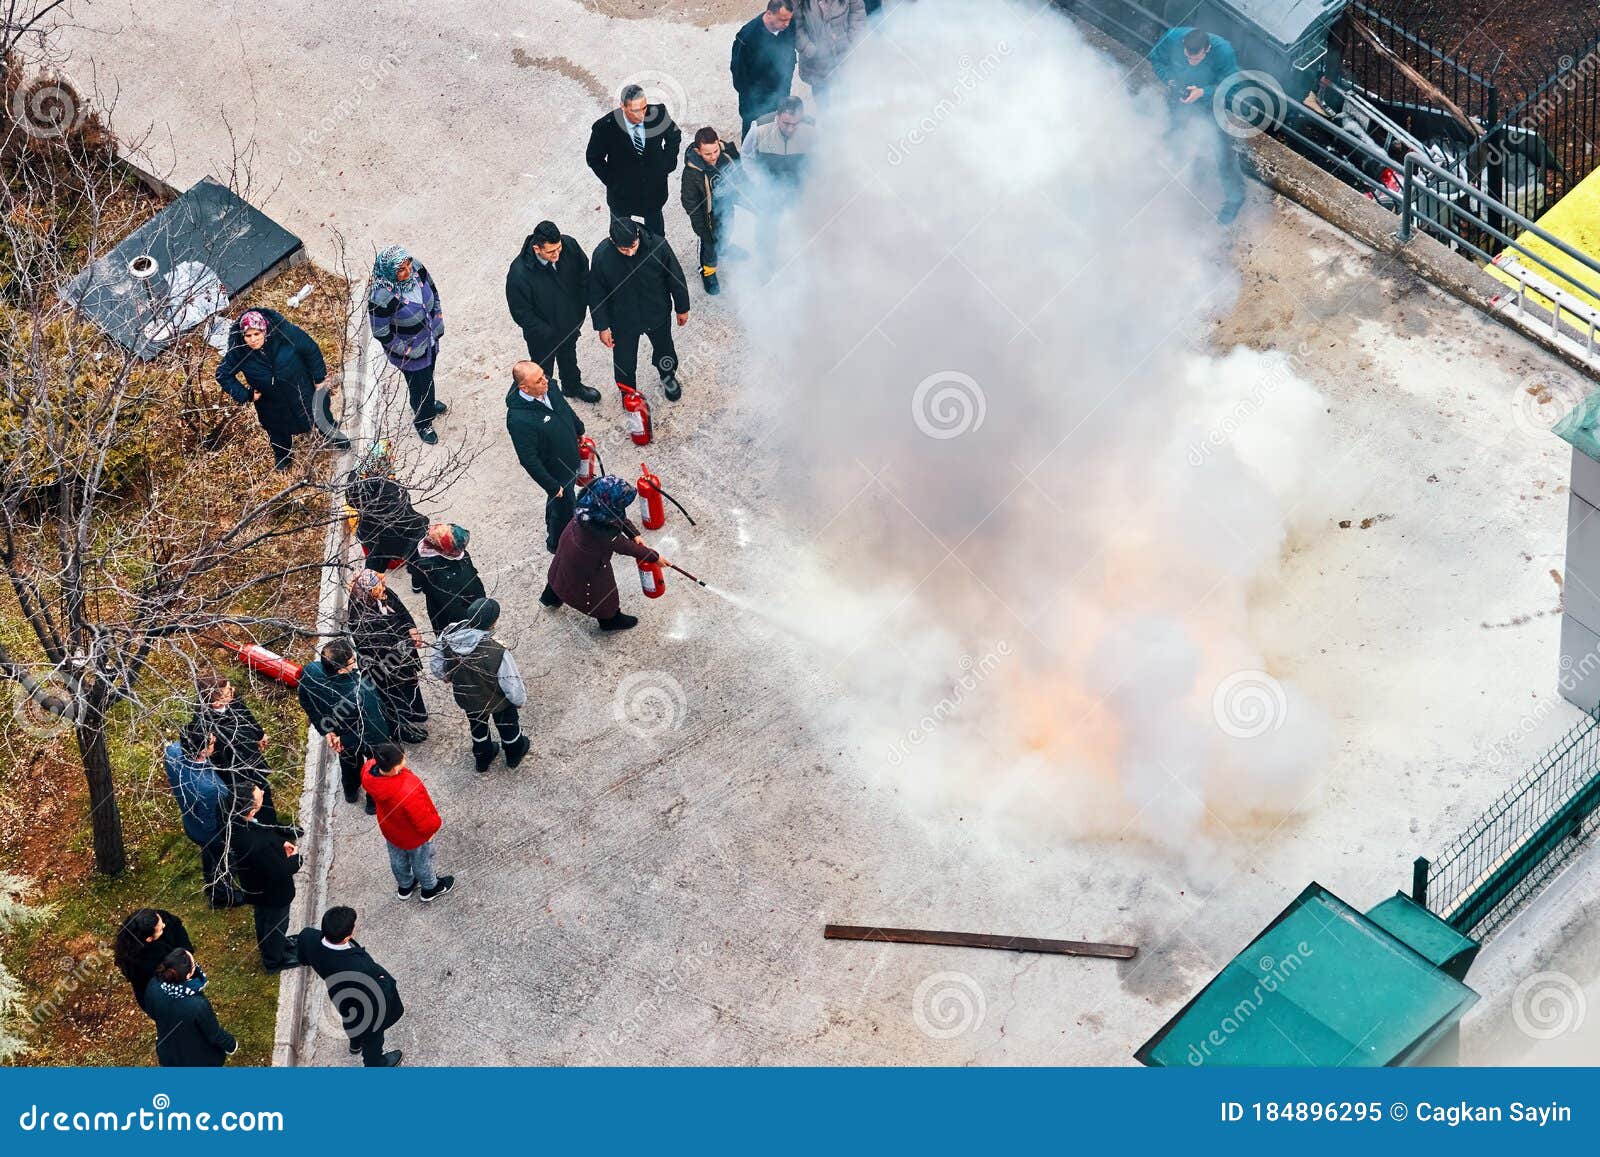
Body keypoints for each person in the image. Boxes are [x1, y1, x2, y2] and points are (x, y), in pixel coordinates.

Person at [215, 308, 349, 471]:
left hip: (302, 389)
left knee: (321, 416)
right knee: (277, 432)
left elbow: (311, 350)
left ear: (265, 330)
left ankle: (335, 437)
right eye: (248, 336)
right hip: (271, 403)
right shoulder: (239, 351)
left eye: (257, 334)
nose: (253, 340)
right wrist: (246, 394)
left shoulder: (285, 334)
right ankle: (283, 457)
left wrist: (319, 378)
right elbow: (223, 374)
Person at [542, 475, 669, 634]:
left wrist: (633, 534)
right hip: (587, 561)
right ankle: (609, 620)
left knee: (561, 572)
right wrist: (655, 557)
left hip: (569, 543)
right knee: (601, 593)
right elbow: (627, 548)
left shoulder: (592, 505)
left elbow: (617, 515)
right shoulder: (603, 533)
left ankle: (550, 597)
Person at [1148, 26, 1246, 225]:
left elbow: (1233, 85)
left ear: (1207, 49)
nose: (1191, 61)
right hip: (1179, 98)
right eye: (1187, 57)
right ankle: (1183, 180)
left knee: (1221, 151)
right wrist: (1170, 80)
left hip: (1210, 104)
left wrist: (1204, 92)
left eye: (1196, 58)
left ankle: (1235, 198)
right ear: (1183, 46)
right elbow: (1155, 58)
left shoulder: (1223, 52)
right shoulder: (1173, 37)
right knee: (1175, 136)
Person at [589, 217, 691, 402]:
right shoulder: (601, 256)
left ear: (637, 235)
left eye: (633, 246)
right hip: (622, 320)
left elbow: (675, 276)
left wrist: (682, 307)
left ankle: (668, 377)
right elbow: (596, 293)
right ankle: (628, 393)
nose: (629, 253)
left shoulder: (658, 245)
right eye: (624, 249)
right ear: (613, 242)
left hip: (657, 312)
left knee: (665, 350)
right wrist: (602, 327)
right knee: (624, 362)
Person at [430, 598, 530, 773]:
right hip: (497, 700)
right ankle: (514, 753)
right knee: (508, 724)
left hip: (467, 696)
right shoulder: (497, 651)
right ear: (492, 623)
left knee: (477, 725)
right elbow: (511, 684)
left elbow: (436, 664)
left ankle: (483, 757)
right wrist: (519, 701)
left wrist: (448, 677)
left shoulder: (449, 632)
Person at [296, 906, 404, 1066]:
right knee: (373, 1036)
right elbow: (378, 994)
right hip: (363, 1003)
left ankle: (355, 1043)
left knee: (350, 1017)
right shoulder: (360, 966)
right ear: (347, 937)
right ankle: (376, 1064)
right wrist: (384, 979)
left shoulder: (307, 936)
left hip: (339, 995)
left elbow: (303, 957)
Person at [505, 221, 599, 405]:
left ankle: (572, 386)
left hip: (570, 322)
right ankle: (545, 401)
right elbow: (521, 313)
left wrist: (579, 309)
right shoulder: (519, 274)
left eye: (558, 248)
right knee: (542, 372)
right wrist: (548, 332)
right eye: (550, 252)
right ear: (536, 248)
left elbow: (583, 272)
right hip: (542, 335)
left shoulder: (569, 245)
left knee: (569, 357)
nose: (556, 255)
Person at [367, 246, 449, 443]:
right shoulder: (381, 298)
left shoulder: (417, 269)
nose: (408, 271)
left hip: (429, 340)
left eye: (408, 265)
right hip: (409, 354)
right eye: (401, 269)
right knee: (419, 386)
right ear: (389, 272)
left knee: (427, 379)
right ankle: (423, 421)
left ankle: (428, 402)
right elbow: (381, 332)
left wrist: (437, 316)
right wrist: (407, 351)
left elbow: (433, 290)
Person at [297, 638, 391, 812]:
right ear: (340, 668)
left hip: (339, 734)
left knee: (348, 762)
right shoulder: (361, 690)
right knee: (374, 766)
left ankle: (350, 791)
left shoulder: (310, 672)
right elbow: (375, 729)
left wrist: (327, 731)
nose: (355, 664)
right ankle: (372, 802)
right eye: (352, 661)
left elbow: (306, 702)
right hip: (361, 738)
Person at [506, 360, 585, 554]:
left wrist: (579, 428)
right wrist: (551, 485)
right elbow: (528, 459)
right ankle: (556, 543)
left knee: (559, 502)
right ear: (524, 387)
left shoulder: (549, 386)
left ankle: (553, 513)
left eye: (543, 375)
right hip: (556, 472)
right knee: (565, 507)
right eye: (539, 380)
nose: (545, 381)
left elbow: (564, 407)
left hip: (570, 457)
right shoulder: (518, 420)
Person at [585, 84, 682, 237]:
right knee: (621, 238)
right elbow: (593, 158)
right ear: (622, 106)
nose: (641, 115)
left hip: (653, 192)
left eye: (644, 108)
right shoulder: (605, 127)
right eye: (635, 110)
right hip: (622, 197)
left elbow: (674, 135)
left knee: (657, 237)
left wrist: (667, 164)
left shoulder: (658, 114)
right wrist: (613, 182)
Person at [361, 743, 455, 899]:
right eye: (402, 759)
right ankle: (430, 888)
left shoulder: (368, 773)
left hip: (390, 829)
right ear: (395, 769)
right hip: (413, 836)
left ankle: (405, 886)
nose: (405, 759)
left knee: (397, 858)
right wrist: (431, 831)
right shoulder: (407, 789)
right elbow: (422, 817)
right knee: (422, 861)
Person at [161, 722, 238, 908]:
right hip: (207, 832)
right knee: (217, 861)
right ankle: (219, 896)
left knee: (211, 857)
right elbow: (210, 823)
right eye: (211, 742)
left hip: (190, 818)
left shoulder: (172, 752)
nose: (215, 741)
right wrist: (221, 840)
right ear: (202, 752)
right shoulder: (211, 788)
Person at [347, 570, 428, 743]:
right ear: (369, 593)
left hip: (403, 653)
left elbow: (400, 609)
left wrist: (411, 628)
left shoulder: (380, 592)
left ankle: (416, 711)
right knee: (395, 697)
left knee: (411, 682)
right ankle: (403, 730)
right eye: (380, 589)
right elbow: (379, 648)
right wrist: (404, 647)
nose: (385, 590)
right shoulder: (360, 618)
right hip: (385, 666)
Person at [229, 786, 304, 972]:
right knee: (276, 923)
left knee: (263, 918)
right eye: (258, 794)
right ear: (252, 811)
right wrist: (296, 859)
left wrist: (279, 843)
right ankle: (274, 960)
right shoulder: (257, 846)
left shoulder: (235, 819)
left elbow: (264, 833)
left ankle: (272, 946)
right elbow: (280, 871)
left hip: (254, 886)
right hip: (273, 892)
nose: (262, 792)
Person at [741, 97, 817, 274]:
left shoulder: (812, 128)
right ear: (777, 116)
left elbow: (817, 156)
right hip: (769, 188)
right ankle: (766, 264)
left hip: (798, 186)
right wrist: (760, 182)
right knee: (767, 226)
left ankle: (801, 265)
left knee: (801, 224)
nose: (790, 128)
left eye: (795, 124)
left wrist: (809, 180)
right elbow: (746, 156)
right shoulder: (759, 128)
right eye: (786, 123)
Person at [192, 671, 278, 825]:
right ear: (216, 702)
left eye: (230, 688)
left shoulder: (232, 700)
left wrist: (258, 734)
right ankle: (266, 832)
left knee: (265, 792)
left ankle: (276, 825)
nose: (233, 692)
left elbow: (246, 715)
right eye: (228, 691)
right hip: (235, 771)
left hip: (250, 754)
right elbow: (210, 755)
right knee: (251, 805)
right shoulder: (203, 723)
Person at [681, 127, 748, 296]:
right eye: (708, 154)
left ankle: (724, 248)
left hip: (726, 206)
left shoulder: (726, 156)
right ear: (698, 151)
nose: (713, 157)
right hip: (707, 216)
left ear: (719, 143)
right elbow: (690, 202)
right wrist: (701, 229)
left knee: (727, 230)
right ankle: (708, 272)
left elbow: (739, 172)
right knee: (709, 246)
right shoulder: (691, 172)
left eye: (715, 151)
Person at [346, 439, 428, 573]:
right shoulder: (392, 491)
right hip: (393, 538)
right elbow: (408, 519)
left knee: (375, 564)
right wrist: (423, 522)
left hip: (369, 534)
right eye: (388, 457)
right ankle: (417, 580)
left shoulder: (355, 480)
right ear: (381, 463)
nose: (392, 459)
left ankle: (370, 584)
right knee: (414, 559)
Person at [144, 949, 237, 1067]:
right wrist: (231, 1044)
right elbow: (213, 1033)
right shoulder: (197, 1005)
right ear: (188, 975)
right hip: (198, 1059)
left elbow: (151, 1011)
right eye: (194, 964)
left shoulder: (153, 985)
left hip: (168, 1053)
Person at [731, 1, 797, 137]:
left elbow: (790, 57)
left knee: (776, 134)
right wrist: (752, 100)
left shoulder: (789, 26)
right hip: (754, 102)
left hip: (781, 94)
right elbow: (739, 75)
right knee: (753, 136)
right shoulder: (747, 37)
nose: (787, 24)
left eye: (789, 19)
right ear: (769, 14)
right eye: (783, 20)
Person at [410, 522, 487, 633]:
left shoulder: (438, 543)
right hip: (458, 617)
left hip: (472, 596)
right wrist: (474, 624)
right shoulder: (433, 572)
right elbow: (453, 609)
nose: (462, 552)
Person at [113, 908, 194, 1013]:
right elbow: (160, 982)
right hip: (163, 996)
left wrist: (186, 952)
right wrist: (183, 969)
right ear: (149, 938)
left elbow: (175, 924)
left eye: (161, 921)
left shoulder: (155, 918)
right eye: (160, 929)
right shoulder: (138, 962)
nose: (164, 925)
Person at [796, 0, 867, 100]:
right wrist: (808, 48)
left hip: (843, 52)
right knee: (821, 93)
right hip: (816, 59)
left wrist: (852, 39)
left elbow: (858, 13)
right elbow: (796, 25)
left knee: (844, 91)